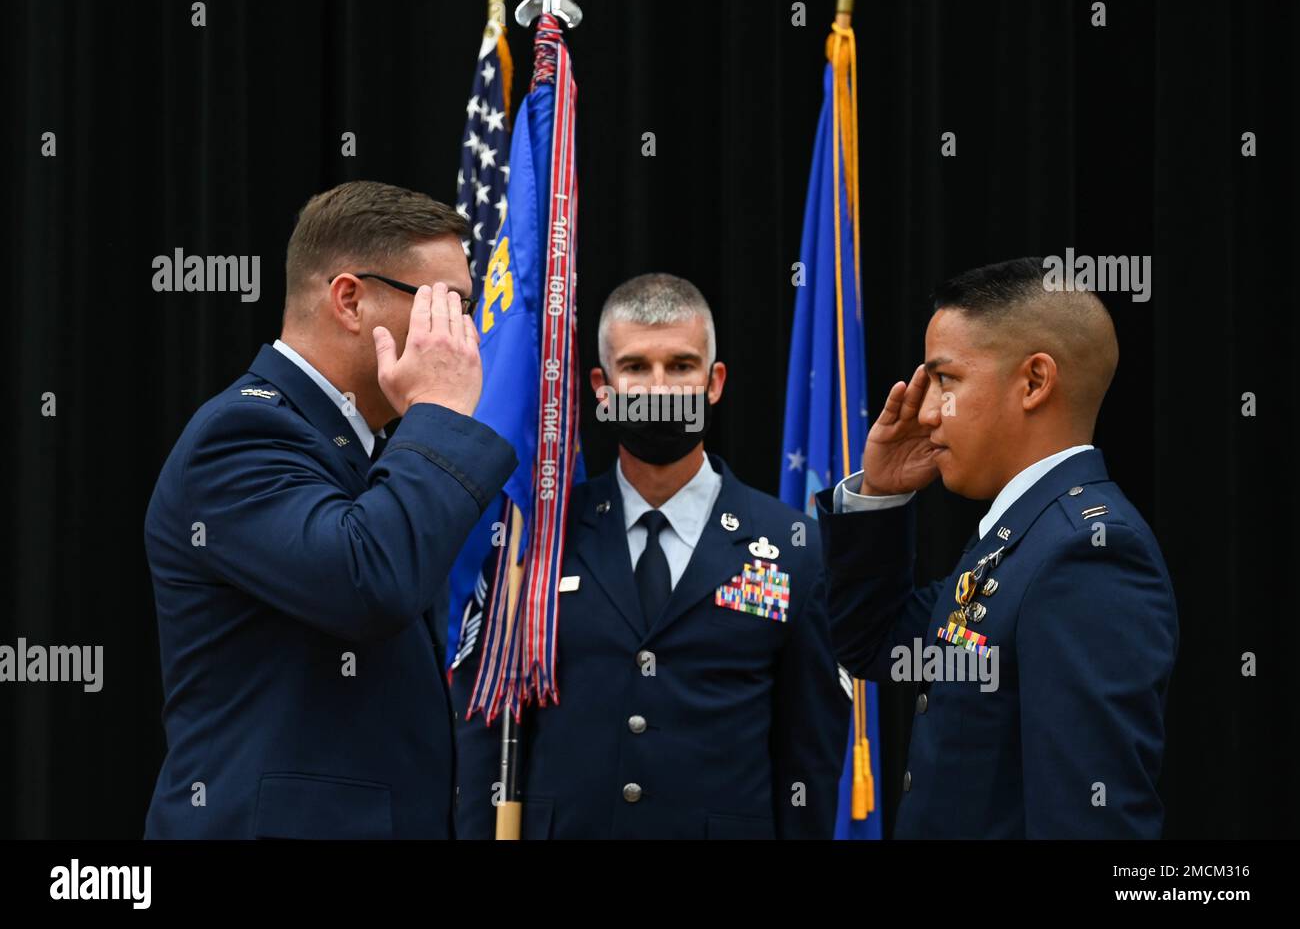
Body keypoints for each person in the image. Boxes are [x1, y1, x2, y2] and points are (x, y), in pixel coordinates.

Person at [144, 181, 517, 838]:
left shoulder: (369, 446)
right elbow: (369, 580)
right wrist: (436, 407)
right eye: (449, 305)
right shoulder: (240, 434)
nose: (467, 334)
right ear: (349, 298)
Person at [452, 273, 847, 839]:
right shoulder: (535, 540)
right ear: (602, 386)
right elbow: (481, 725)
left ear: (715, 383)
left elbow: (809, 759)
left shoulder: (793, 549)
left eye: (681, 366)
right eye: (636, 368)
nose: (659, 389)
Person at [816, 257, 1178, 838]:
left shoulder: (1087, 554)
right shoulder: (1027, 535)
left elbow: (1088, 824)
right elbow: (876, 644)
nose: (927, 412)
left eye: (946, 380)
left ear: (1034, 382)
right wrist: (878, 497)